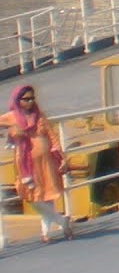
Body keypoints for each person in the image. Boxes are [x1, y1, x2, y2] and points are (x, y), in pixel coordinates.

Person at [3, 83, 71, 242]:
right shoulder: (12, 116)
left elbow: (52, 136)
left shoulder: (40, 116)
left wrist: (61, 156)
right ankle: (61, 221)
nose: (30, 102)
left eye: (32, 98)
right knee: (32, 196)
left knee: (47, 196)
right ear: (18, 100)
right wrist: (12, 128)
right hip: (26, 164)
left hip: (46, 161)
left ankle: (45, 232)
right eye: (26, 99)